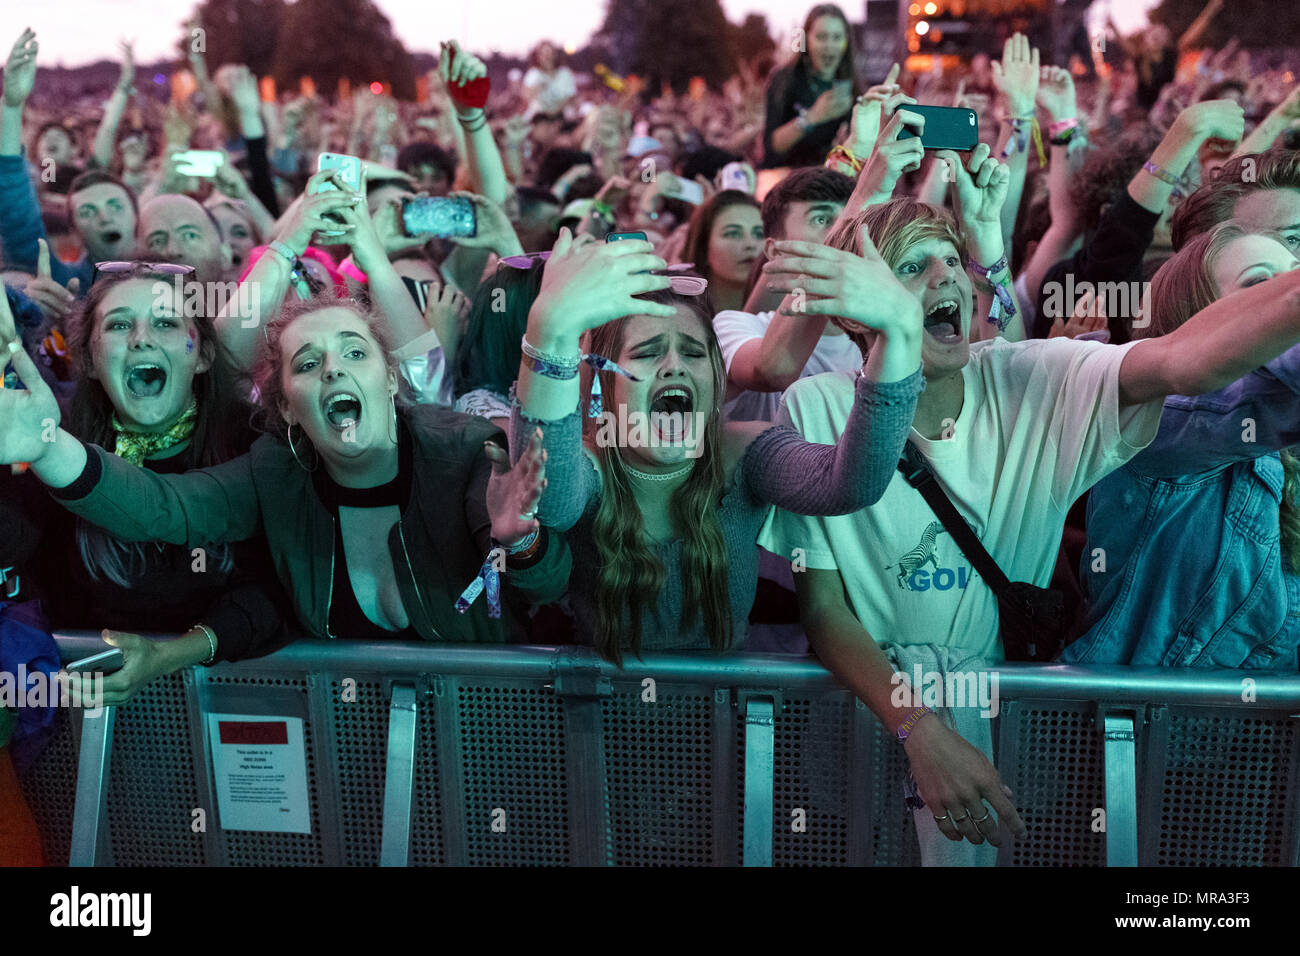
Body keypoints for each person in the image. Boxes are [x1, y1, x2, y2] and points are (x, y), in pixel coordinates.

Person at [758, 187, 1300, 865]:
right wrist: (917, 728)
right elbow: (824, 606)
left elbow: (1181, 361)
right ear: (857, 313)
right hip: (862, 719)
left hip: (1010, 721)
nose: (943, 276)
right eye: (909, 268)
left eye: (950, 258)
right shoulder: (816, 404)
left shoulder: (1032, 378)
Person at [0, 293, 573, 645]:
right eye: (308, 363)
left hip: (490, 734)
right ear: (285, 407)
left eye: (354, 353)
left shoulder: (464, 451)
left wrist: (520, 542)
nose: (332, 371)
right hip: (348, 749)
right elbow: (165, 508)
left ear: (390, 379)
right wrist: (49, 447)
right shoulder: (276, 471)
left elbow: (552, 583)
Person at [507, 229, 923, 664]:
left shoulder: (742, 452)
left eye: (693, 353)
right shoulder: (592, 460)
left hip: (723, 722)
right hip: (602, 720)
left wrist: (901, 332)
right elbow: (550, 502)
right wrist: (548, 330)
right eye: (648, 353)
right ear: (606, 384)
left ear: (717, 379)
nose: (673, 367)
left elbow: (848, 485)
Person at [0, 262, 297, 702]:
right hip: (93, 720)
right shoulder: (56, 433)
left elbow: (281, 592)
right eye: (120, 325)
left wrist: (169, 656)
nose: (141, 338)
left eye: (165, 323)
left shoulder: (252, 441)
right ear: (92, 362)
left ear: (202, 355)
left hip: (242, 702)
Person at [1068, 223, 1300, 667]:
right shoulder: (1163, 421)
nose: (1283, 296)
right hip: (1138, 723)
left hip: (1241, 730)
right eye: (1259, 282)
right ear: (1196, 325)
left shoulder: (1276, 449)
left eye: (1293, 273)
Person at [761, 4, 859, 169]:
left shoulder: (853, 84)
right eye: (821, 37)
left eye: (837, 38)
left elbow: (855, 161)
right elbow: (772, 146)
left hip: (830, 182)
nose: (829, 45)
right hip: (785, 180)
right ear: (806, 40)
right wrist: (813, 116)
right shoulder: (785, 78)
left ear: (846, 42)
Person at [681, 190, 763, 314]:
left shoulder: (783, 312)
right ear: (703, 246)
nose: (750, 244)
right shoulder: (678, 312)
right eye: (733, 233)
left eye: (759, 234)